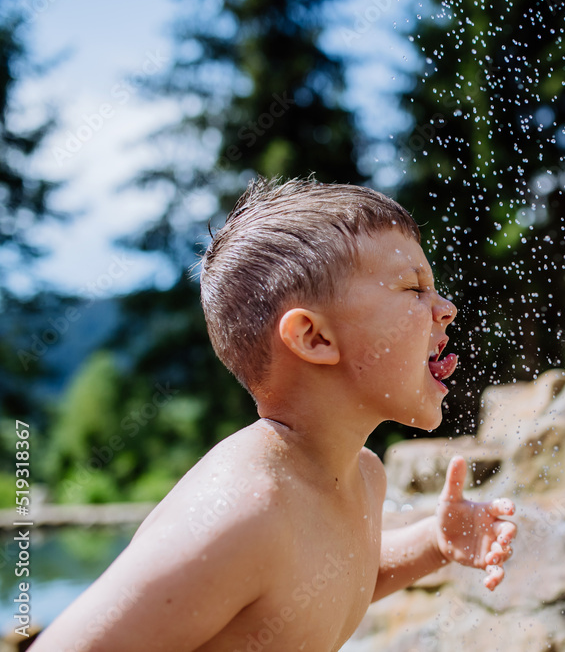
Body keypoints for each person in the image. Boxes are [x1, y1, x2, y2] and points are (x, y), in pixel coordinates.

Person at [34, 178, 518, 651]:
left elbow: (319, 588)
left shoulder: (362, 477)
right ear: (314, 338)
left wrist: (433, 541)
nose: (447, 308)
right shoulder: (244, 511)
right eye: (414, 289)